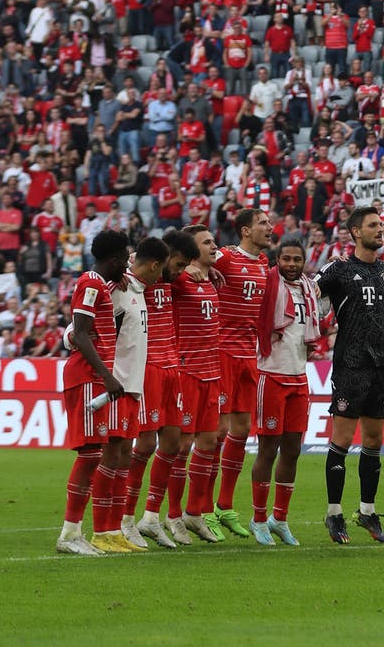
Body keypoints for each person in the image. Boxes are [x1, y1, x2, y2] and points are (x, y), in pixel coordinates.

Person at [317, 206, 384, 545]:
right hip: (350, 365)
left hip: (380, 366)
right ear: (356, 232)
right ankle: (334, 514)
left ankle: (367, 512)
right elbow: (308, 288)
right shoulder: (340, 269)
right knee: (342, 439)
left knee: (374, 440)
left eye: (381, 225)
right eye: (373, 225)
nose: (380, 230)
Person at [55, 230, 132, 556]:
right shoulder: (90, 284)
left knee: (93, 454)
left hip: (93, 377)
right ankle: (69, 534)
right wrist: (106, 376)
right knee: (89, 455)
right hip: (86, 376)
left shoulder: (100, 284)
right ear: (113, 260)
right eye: (124, 259)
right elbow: (82, 334)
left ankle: (73, 532)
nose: (127, 265)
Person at [122, 231, 199, 550]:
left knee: (173, 443)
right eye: (178, 264)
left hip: (172, 368)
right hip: (148, 368)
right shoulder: (137, 278)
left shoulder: (170, 281)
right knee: (145, 443)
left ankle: (151, 518)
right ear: (163, 258)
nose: (180, 272)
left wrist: (206, 271)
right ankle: (126, 519)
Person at [248, 238, 322, 547]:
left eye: (297, 259)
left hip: (299, 378)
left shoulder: (309, 289)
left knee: (292, 450)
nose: (291, 264)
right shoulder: (267, 284)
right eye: (286, 259)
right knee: (268, 450)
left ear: (304, 262)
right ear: (277, 260)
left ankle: (279, 518)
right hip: (271, 376)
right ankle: (258, 519)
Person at [99, 237, 171, 552]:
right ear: (154, 265)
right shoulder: (117, 289)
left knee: (123, 458)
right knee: (109, 458)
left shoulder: (137, 290)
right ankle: (100, 530)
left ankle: (114, 529)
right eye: (162, 269)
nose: (163, 277)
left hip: (132, 388)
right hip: (116, 386)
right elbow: (84, 329)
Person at [209, 208, 273, 539]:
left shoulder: (263, 263)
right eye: (263, 223)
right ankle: (201, 509)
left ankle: (224, 505)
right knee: (216, 432)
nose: (270, 227)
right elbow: (193, 265)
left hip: (250, 356)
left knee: (243, 429)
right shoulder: (224, 257)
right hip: (221, 353)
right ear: (246, 230)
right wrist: (201, 268)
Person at [173, 226, 226, 544]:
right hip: (187, 373)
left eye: (213, 241)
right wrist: (183, 270)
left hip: (212, 374)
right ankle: (173, 516)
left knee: (208, 443)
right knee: (181, 447)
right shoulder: (180, 280)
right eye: (206, 242)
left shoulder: (212, 279)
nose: (214, 245)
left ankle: (193, 513)